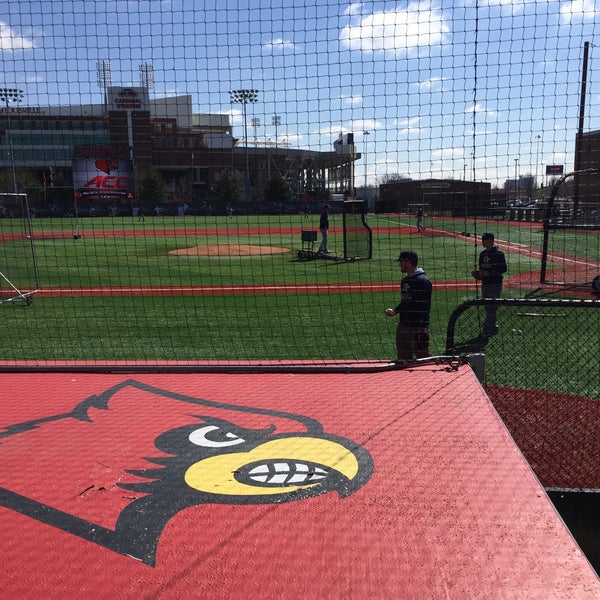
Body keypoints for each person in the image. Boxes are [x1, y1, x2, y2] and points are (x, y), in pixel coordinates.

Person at [385, 250, 432, 362]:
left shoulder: (422, 281)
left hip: (417, 328)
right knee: (403, 360)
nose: (399, 264)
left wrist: (422, 329)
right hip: (403, 326)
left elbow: (424, 307)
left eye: (401, 261)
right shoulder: (406, 280)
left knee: (423, 360)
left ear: (408, 262)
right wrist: (395, 311)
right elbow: (406, 302)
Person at [471, 232, 507, 339]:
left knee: (492, 305)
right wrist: (478, 274)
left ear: (491, 241)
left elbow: (503, 269)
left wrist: (490, 273)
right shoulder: (482, 254)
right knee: (487, 305)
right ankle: (492, 324)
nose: (482, 241)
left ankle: (487, 328)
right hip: (485, 283)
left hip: (495, 283)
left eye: (484, 240)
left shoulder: (499, 254)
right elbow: (483, 269)